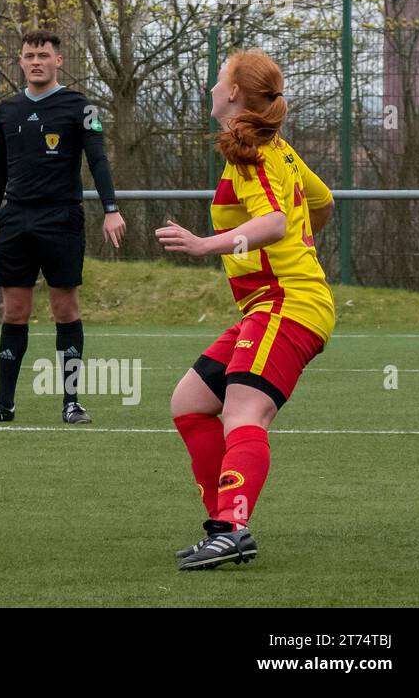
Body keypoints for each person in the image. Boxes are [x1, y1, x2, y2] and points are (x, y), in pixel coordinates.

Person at [157, 49, 335, 570]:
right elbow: (321, 204)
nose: (213, 87)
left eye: (219, 79)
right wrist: (298, 249)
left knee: (242, 413)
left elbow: (276, 224)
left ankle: (232, 528)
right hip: (276, 303)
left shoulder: (249, 152)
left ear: (234, 93)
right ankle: (223, 524)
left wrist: (204, 245)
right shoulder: (276, 148)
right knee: (190, 402)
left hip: (288, 304)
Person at [0, 29, 125, 425]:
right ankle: (4, 404)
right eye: (29, 55)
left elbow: (99, 160)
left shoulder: (80, 106)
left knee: (64, 307)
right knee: (15, 310)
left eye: (43, 54)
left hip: (62, 218)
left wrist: (111, 209)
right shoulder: (7, 110)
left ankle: (71, 402)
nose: (36, 61)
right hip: (16, 219)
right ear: (20, 62)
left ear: (59, 61)